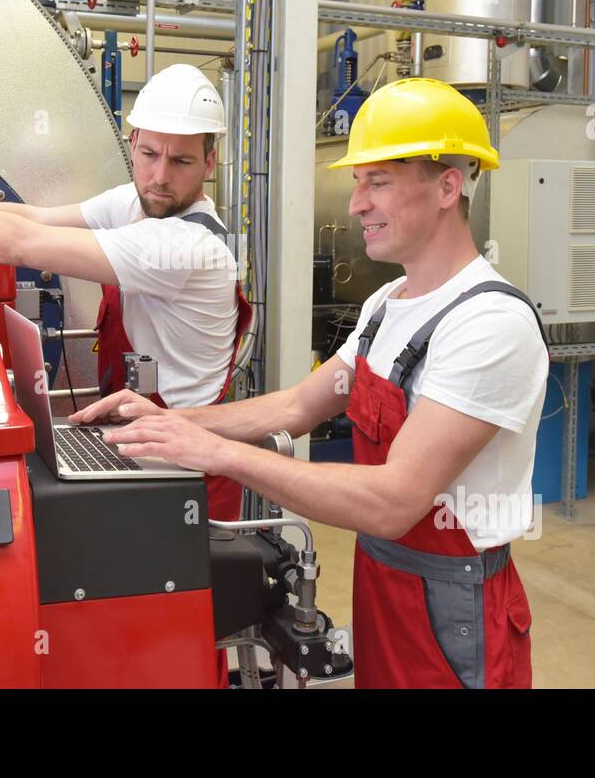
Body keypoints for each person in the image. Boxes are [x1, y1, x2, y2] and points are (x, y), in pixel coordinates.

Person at [73, 78, 549, 688]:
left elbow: (394, 500)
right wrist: (168, 422)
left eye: (377, 182)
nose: (355, 205)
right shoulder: (388, 303)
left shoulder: (489, 323)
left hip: (454, 602)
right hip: (382, 578)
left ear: (447, 186)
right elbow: (300, 405)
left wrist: (219, 453)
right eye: (357, 182)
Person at [0, 63, 251, 522]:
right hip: (139, 444)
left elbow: (20, 244)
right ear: (132, 143)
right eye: (150, 153)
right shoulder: (136, 204)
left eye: (181, 161)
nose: (158, 175)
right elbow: (31, 219)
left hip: (187, 476)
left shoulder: (184, 246)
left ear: (210, 163)